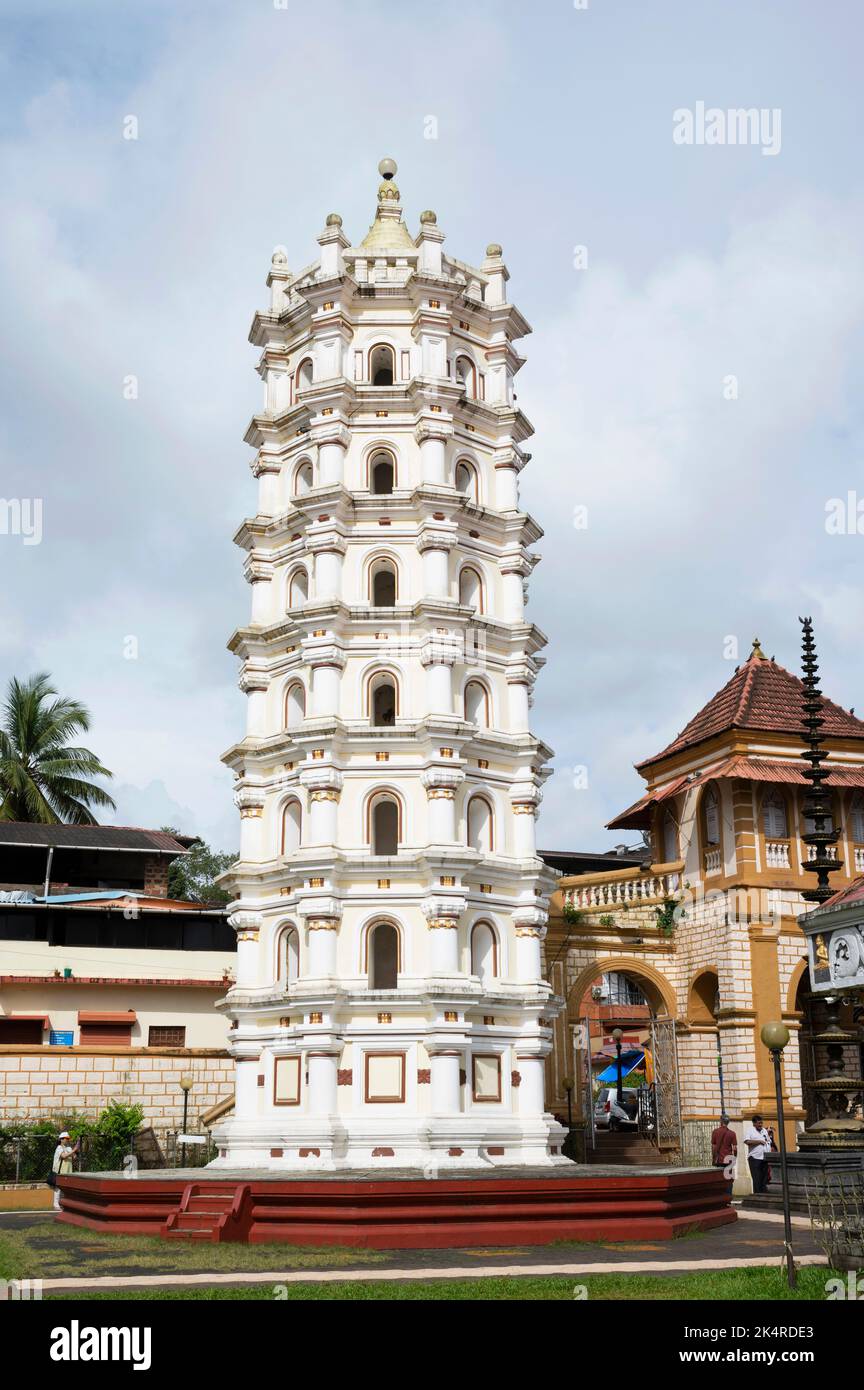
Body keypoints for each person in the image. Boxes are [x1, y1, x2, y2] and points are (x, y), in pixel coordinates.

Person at [51, 1129, 79, 1211]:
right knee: (58, 1188)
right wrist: (73, 1151)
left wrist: (76, 1151)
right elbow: (63, 1156)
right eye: (66, 1138)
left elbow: (74, 1157)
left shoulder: (69, 1148)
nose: (67, 1140)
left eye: (68, 1138)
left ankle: (64, 1204)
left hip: (68, 1171)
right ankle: (56, 1204)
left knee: (66, 1188)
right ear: (61, 1139)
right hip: (60, 1171)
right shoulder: (59, 1148)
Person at [744, 1113, 772, 1194]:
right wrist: (759, 1142)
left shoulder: (764, 1130)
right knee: (757, 1178)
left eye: (761, 1123)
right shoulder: (750, 1130)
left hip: (764, 1158)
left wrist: (769, 1137)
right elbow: (747, 1141)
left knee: (764, 1178)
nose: (760, 1125)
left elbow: (767, 1140)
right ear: (754, 1123)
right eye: (759, 1123)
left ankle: (764, 1196)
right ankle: (757, 1196)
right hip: (754, 1158)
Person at [711, 1114, 737, 1192]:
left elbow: (713, 1147)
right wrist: (735, 1157)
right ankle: (729, 1196)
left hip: (719, 1159)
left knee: (720, 1179)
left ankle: (721, 1196)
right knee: (729, 1179)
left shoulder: (715, 1132)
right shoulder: (732, 1133)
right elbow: (735, 1148)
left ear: (721, 1121)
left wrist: (713, 1157)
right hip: (729, 1159)